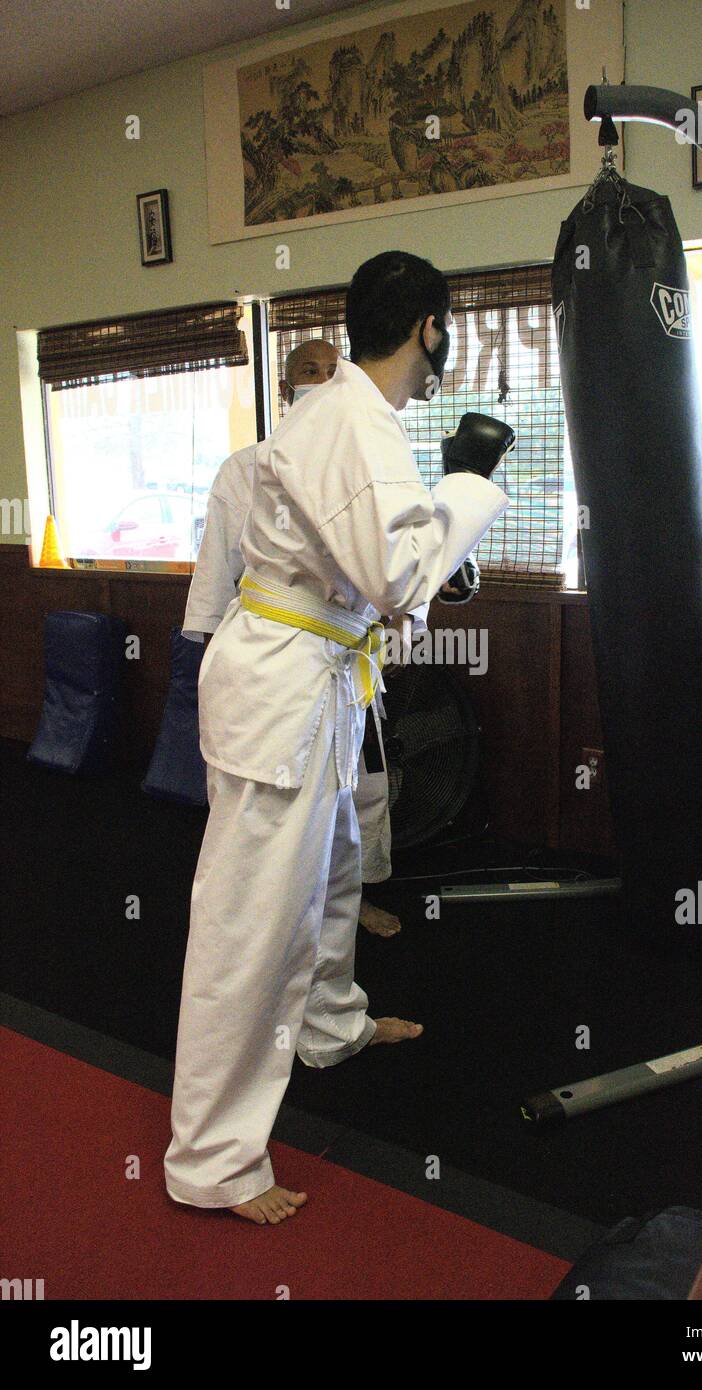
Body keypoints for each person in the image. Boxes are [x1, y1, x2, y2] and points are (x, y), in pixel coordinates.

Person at [164, 250, 512, 1226]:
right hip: (283, 692)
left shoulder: (346, 417)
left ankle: (327, 1025)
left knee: (332, 879)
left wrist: (440, 525)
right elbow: (401, 578)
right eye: (444, 334)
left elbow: (377, 573)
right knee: (248, 926)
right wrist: (467, 493)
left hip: (315, 683)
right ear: (428, 330)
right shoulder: (357, 424)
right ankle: (211, 1159)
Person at [182, 338, 400, 937]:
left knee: (356, 796)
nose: (324, 382)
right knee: (275, 821)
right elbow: (213, 587)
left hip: (346, 661)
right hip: (271, 667)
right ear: (286, 389)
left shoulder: (369, 469)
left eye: (336, 373)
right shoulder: (246, 470)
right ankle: (280, 931)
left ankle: (348, 906)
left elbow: (389, 569)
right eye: (310, 372)